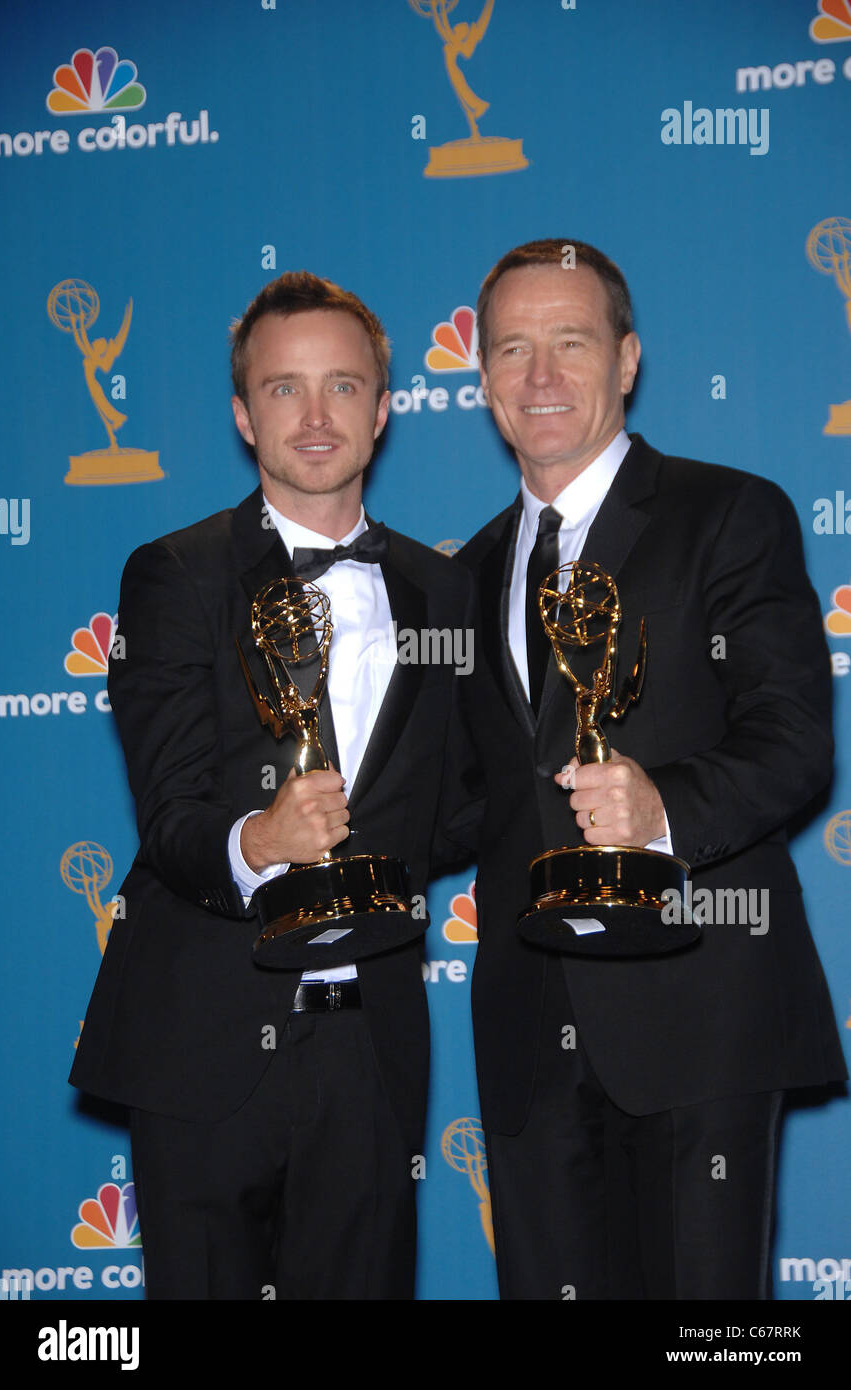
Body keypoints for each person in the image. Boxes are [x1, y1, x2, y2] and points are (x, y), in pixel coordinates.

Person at [452, 238, 847, 1300]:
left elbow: (794, 739)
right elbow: (466, 801)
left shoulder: (727, 514)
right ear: (481, 374)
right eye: (512, 348)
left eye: (569, 343)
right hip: (530, 1028)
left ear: (626, 360)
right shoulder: (465, 570)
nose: (539, 377)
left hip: (699, 1012)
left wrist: (662, 804)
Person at [70, 271, 472, 1300]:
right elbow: (167, 812)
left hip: (369, 1037)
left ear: (384, 409)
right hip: (203, 1029)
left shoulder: (443, 589)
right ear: (244, 416)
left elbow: (461, 804)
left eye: (342, 386)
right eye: (283, 389)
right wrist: (260, 839)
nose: (314, 413)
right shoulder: (173, 573)